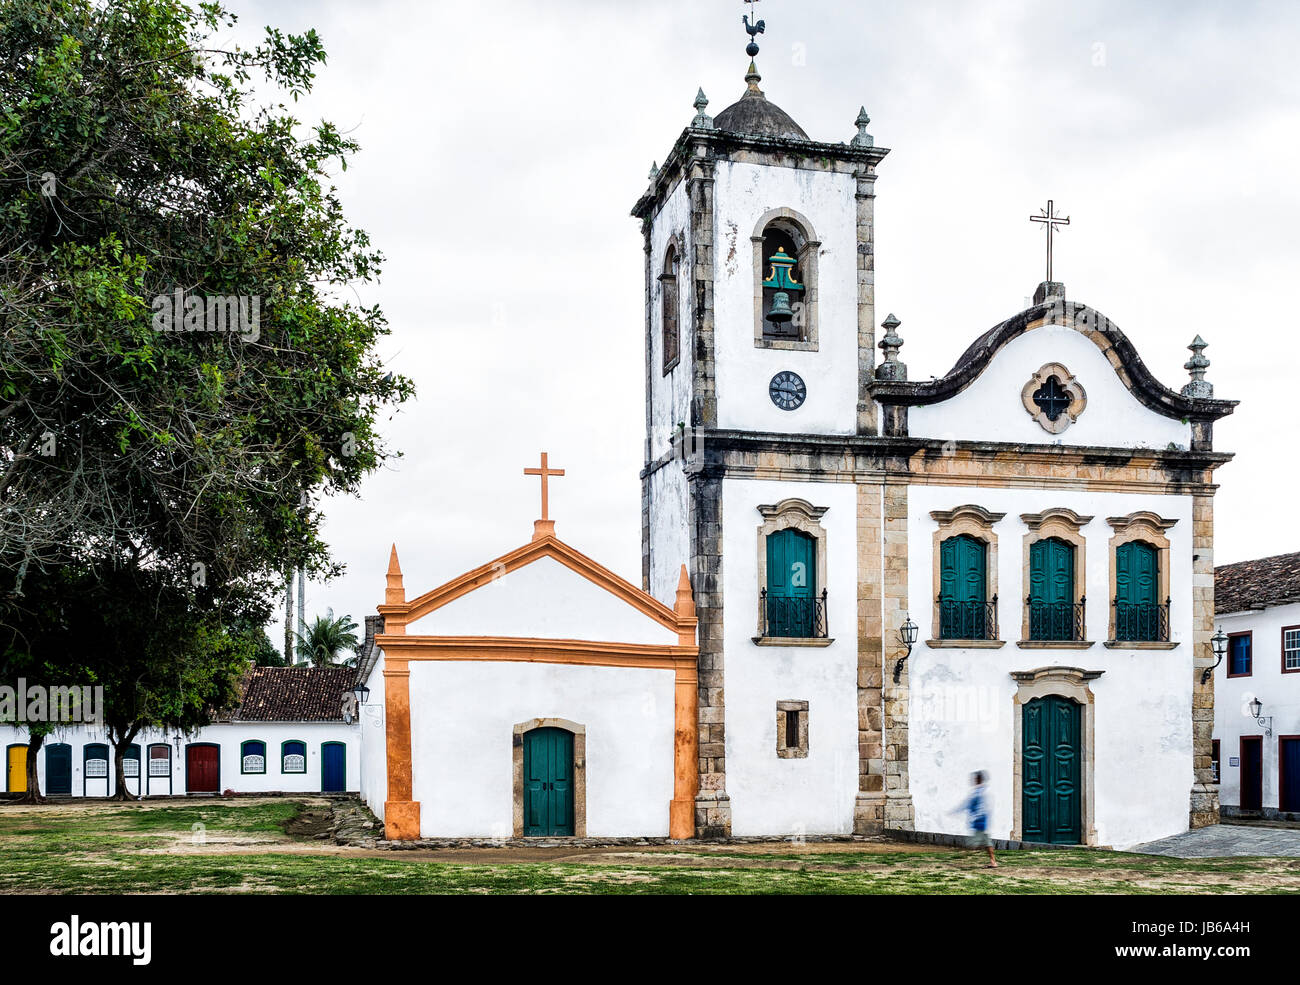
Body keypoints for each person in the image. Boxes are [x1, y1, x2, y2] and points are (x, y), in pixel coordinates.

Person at [961, 770, 997, 868]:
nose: (974, 780)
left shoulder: (980, 792)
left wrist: (976, 817)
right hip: (983, 822)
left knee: (972, 844)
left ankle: (964, 862)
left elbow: (979, 806)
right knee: (987, 843)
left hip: (980, 823)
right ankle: (993, 862)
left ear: (979, 779)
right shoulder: (983, 791)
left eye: (975, 779)